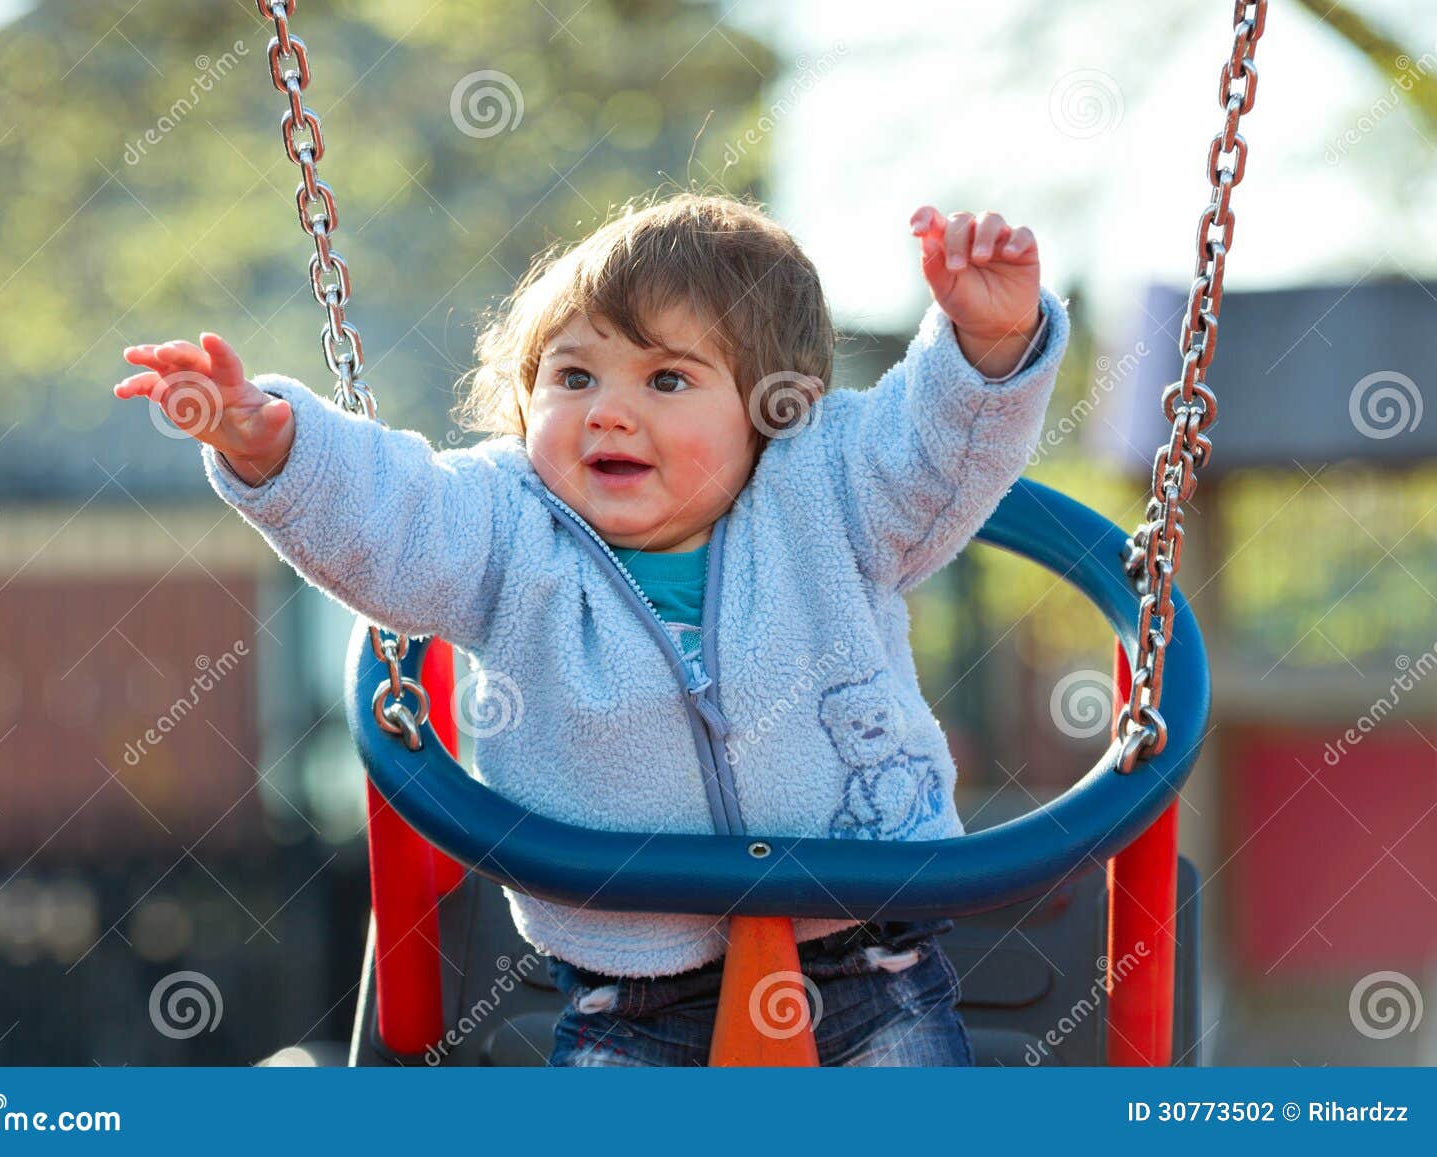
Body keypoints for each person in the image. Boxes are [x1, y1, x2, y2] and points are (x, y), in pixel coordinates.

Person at [114, 190, 1067, 1066]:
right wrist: (272, 439)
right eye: (573, 375)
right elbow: (392, 515)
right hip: (633, 988)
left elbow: (935, 450)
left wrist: (985, 343)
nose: (608, 411)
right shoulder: (507, 527)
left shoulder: (831, 496)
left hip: (867, 959)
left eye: (666, 380)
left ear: (773, 409)